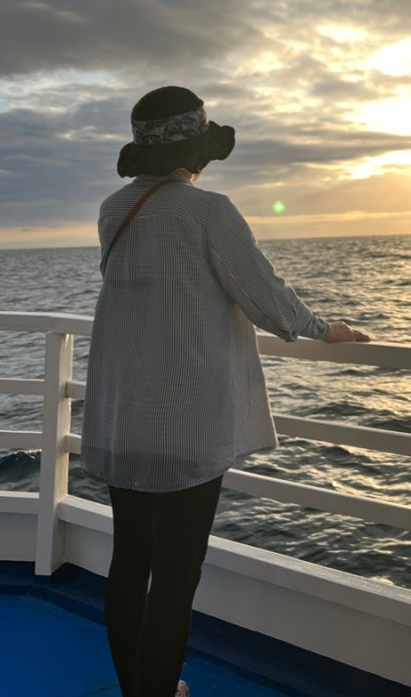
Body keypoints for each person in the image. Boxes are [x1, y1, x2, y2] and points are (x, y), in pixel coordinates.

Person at [82, 86, 369, 697]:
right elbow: (264, 297)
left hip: (123, 416)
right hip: (185, 422)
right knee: (178, 574)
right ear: (199, 150)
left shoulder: (112, 207)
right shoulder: (210, 211)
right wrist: (325, 330)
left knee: (130, 561)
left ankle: (138, 688)